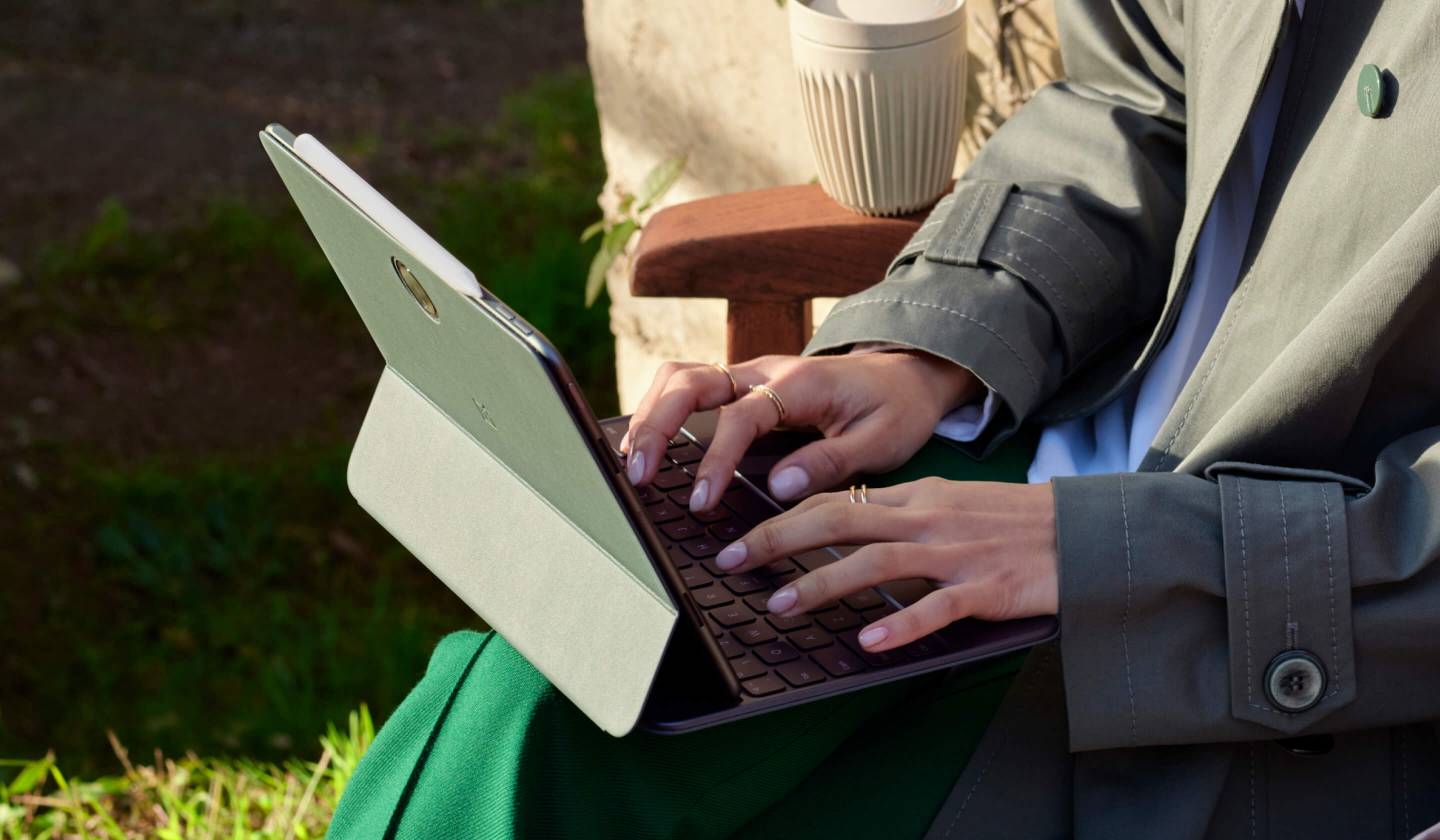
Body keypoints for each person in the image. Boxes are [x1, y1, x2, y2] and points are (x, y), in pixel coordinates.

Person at [328, 0, 1440, 836]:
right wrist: (923, 345)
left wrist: (1109, 553)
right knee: (534, 701)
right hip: (1030, 458)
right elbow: (1141, 96)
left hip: (1271, 624)